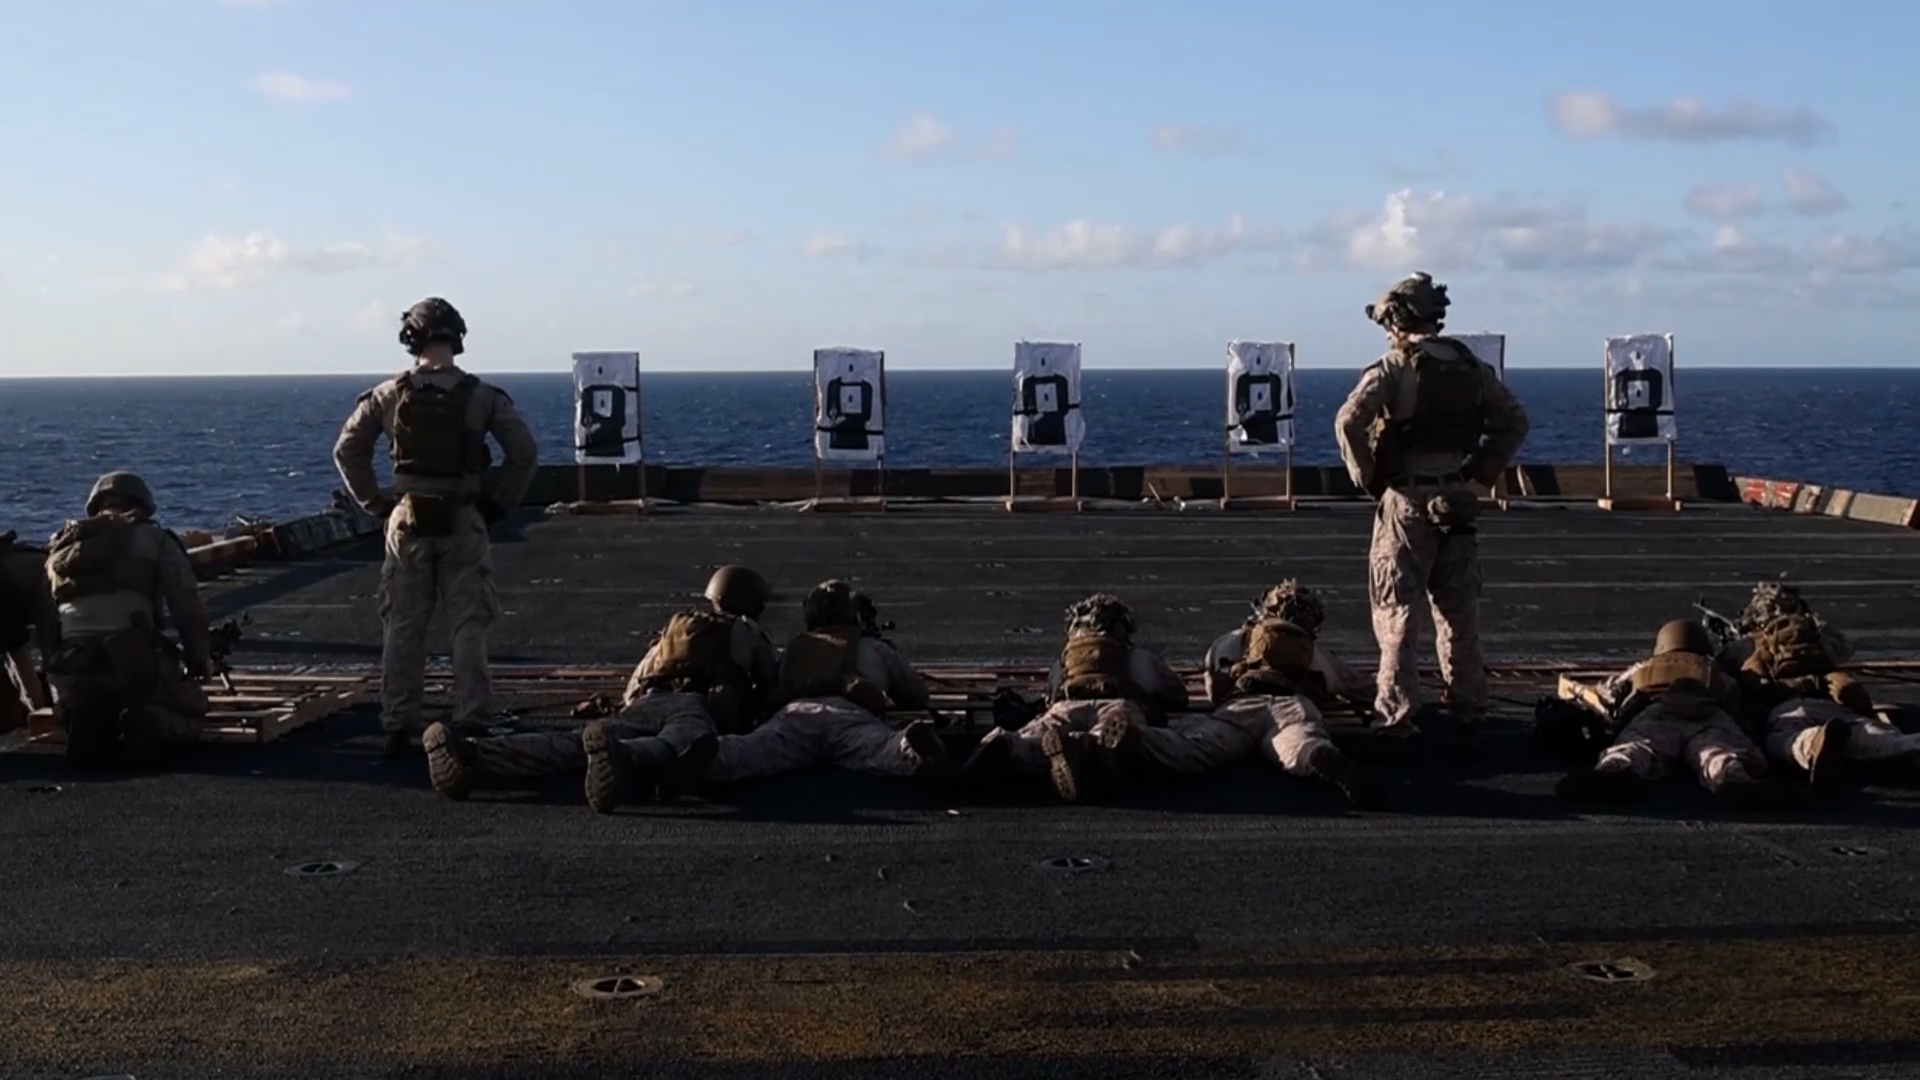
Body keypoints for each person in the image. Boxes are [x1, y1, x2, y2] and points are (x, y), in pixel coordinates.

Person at [333, 297, 539, 758]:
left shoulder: (388, 395)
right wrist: (498, 505)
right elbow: (524, 453)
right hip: (464, 518)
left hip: (407, 519)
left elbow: (347, 450)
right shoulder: (483, 396)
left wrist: (377, 505)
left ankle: (398, 722)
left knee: (403, 624)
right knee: (468, 623)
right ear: (457, 337)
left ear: (411, 338)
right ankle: (472, 719)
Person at [1334, 272, 1530, 753]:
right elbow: (1514, 422)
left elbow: (1349, 422)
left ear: (1399, 319)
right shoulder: (1472, 369)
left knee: (1397, 611)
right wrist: (1478, 475)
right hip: (1458, 500)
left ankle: (1396, 717)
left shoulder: (1393, 368)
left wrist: (1368, 479)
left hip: (1407, 500)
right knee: (1460, 613)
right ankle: (1468, 708)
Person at [422, 566, 781, 809]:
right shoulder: (748, 631)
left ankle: (472, 752)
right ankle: (622, 757)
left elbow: (640, 678)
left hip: (649, 698)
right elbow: (770, 683)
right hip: (694, 706)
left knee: (567, 744)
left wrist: (622, 707)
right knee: (674, 744)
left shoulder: (678, 627)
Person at [1127, 581, 1384, 807]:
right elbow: (1364, 688)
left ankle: (1141, 739)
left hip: (1242, 705)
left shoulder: (1232, 641)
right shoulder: (1314, 653)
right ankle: (1316, 754)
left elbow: (1215, 690)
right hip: (1293, 703)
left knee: (1196, 747)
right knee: (1298, 741)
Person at [40, 472, 214, 767]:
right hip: (134, 661)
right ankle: (150, 723)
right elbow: (186, 605)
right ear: (143, 504)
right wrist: (199, 657)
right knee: (190, 709)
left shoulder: (62, 543)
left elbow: (47, 616)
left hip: (73, 665)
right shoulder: (154, 538)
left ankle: (83, 717)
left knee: (85, 703)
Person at [702, 580, 948, 787]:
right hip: (849, 714)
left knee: (759, 749)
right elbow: (915, 695)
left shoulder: (795, 648)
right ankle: (908, 746)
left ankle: (717, 753)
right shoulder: (874, 648)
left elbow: (775, 685)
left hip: (798, 713)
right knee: (878, 748)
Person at [959, 593, 1189, 804]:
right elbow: (1176, 695)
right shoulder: (1138, 657)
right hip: (1119, 704)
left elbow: (1050, 696)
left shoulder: (1065, 661)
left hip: (1065, 705)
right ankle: (1093, 748)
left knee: (1037, 738)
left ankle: (1010, 745)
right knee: (1119, 737)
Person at [1556, 620, 1800, 811]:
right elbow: (1736, 700)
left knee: (1638, 746)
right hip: (1708, 711)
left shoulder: (1643, 668)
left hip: (1659, 710)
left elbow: (1608, 695)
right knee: (1718, 752)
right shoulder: (1712, 668)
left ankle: (1614, 772)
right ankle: (1734, 779)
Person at [1738, 601, 1919, 791]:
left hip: (1788, 711)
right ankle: (1911, 745)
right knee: (1881, 740)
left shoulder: (1752, 648)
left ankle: (1813, 743)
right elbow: (1847, 684)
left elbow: (1744, 684)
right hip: (1835, 708)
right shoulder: (1821, 646)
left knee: (1782, 741)